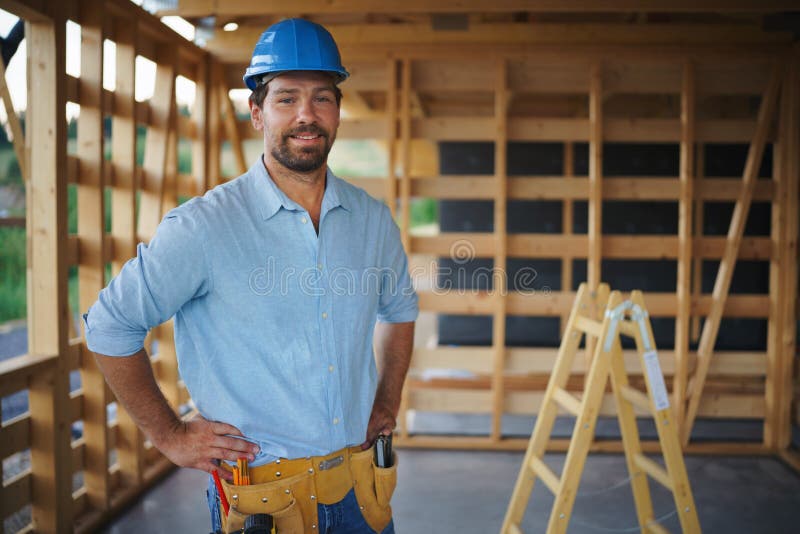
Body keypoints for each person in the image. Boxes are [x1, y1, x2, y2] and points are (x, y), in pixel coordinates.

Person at [83, 18, 417, 534]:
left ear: (337, 111)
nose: (307, 115)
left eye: (322, 98)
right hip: (263, 504)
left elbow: (400, 310)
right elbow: (110, 324)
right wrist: (170, 435)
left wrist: (387, 400)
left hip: (362, 491)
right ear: (257, 112)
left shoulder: (372, 220)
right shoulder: (204, 227)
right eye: (287, 99)